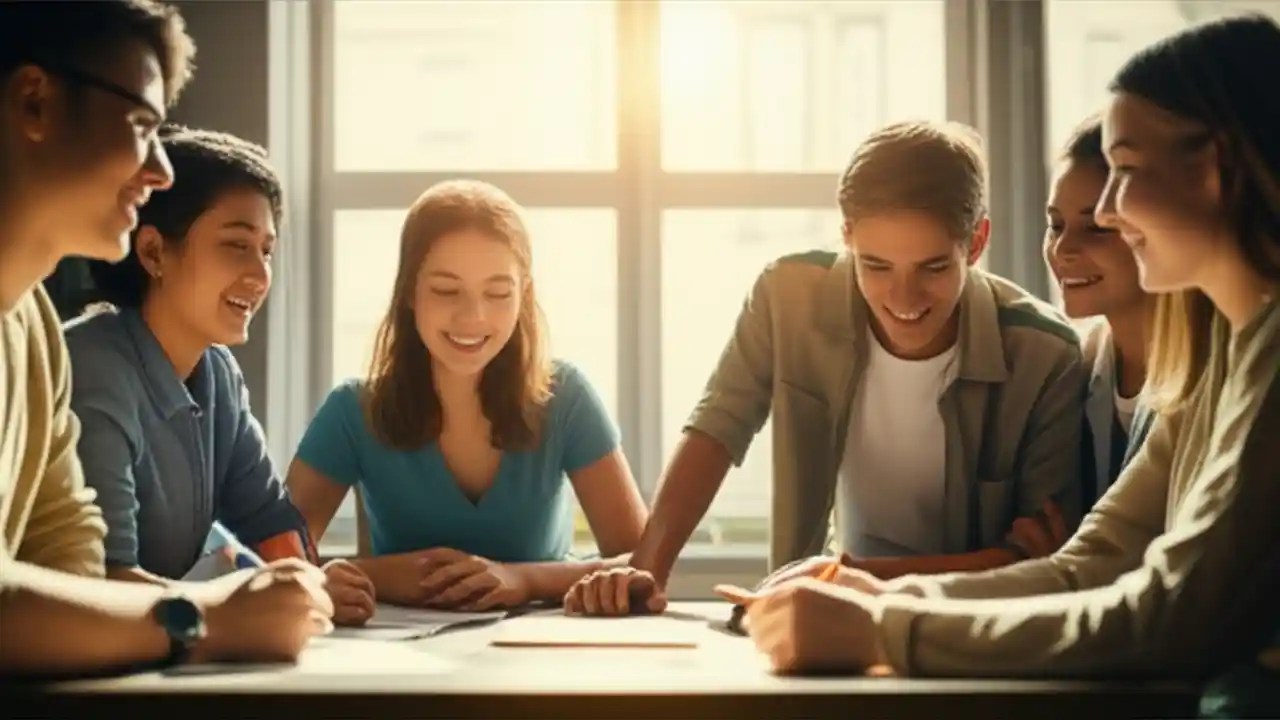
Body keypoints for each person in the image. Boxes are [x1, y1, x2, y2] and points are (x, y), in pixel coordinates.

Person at [722, 14, 1280, 688]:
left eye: (1125, 170)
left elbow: (1172, 617)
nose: (1105, 211)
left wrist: (881, 629)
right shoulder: (1221, 350)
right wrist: (880, 601)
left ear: (1215, 169)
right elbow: (1091, 565)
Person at [567, 120, 1087, 615]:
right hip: (823, 612)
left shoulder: (1045, 355)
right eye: (876, 265)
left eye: (932, 268)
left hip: (963, 624)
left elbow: (1039, 562)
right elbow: (717, 428)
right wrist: (649, 572)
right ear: (847, 236)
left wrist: (843, 575)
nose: (903, 298)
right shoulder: (787, 295)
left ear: (975, 243)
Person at [0, 0, 331, 675]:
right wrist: (207, 617)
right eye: (142, 125)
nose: (161, 171)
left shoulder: (30, 332)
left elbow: (74, 567)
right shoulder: (91, 357)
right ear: (35, 100)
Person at [287, 180, 647, 611]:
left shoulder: (566, 398)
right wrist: (364, 577)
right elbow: (270, 564)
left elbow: (644, 565)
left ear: (523, 295)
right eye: (445, 290)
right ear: (408, 292)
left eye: (497, 293)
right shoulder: (351, 411)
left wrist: (525, 578)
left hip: (540, 658)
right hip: (398, 662)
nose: (473, 316)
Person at [67, 126, 374, 626]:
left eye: (267, 251)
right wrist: (246, 602)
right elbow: (105, 581)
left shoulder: (218, 375)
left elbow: (268, 520)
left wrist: (310, 579)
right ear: (152, 253)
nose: (259, 275)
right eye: (236, 245)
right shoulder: (93, 369)